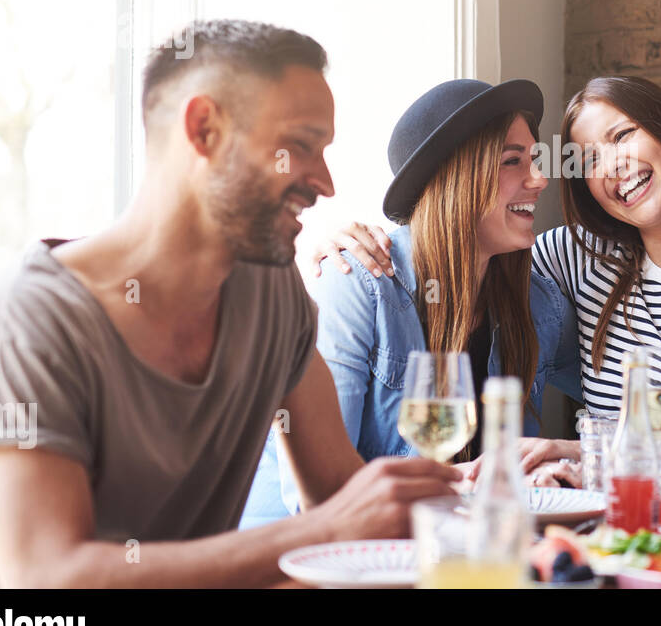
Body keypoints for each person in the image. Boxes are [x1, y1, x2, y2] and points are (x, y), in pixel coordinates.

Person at [0, 20, 460, 588]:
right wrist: (325, 532)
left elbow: (337, 489)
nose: (325, 182)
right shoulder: (24, 329)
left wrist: (485, 501)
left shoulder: (272, 290)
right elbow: (52, 581)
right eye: (300, 147)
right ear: (204, 129)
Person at [313, 76, 661, 476]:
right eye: (587, 160)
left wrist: (572, 452)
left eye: (623, 135)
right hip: (609, 523)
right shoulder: (574, 261)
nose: (613, 167)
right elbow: (454, 250)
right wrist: (330, 245)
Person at [241, 79, 583, 527]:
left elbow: (627, 420)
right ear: (454, 178)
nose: (540, 179)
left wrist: (560, 458)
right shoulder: (356, 286)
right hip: (317, 563)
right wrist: (482, 483)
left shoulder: (539, 305)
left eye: (535, 160)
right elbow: (321, 500)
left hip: (445, 547)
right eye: (512, 160)